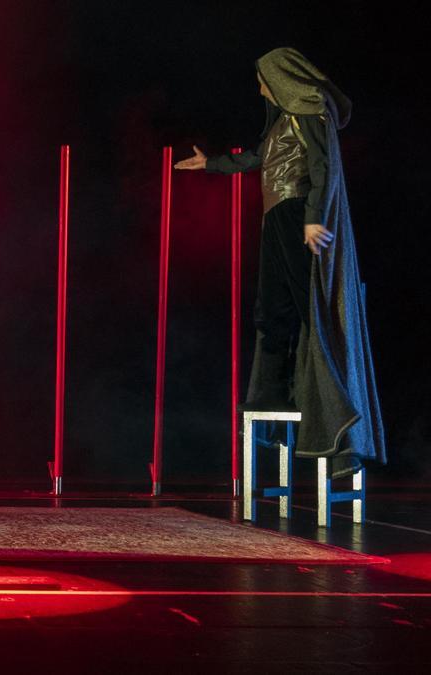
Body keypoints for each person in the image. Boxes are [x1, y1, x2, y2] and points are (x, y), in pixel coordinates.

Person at [175, 47, 385, 478]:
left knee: (309, 314)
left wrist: (313, 220)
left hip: (295, 215)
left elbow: (321, 168)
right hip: (277, 218)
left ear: (279, 78)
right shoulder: (281, 120)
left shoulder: (309, 109)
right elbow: (258, 157)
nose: (259, 87)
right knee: (271, 311)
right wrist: (211, 164)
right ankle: (275, 392)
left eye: (262, 79)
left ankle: (336, 423)